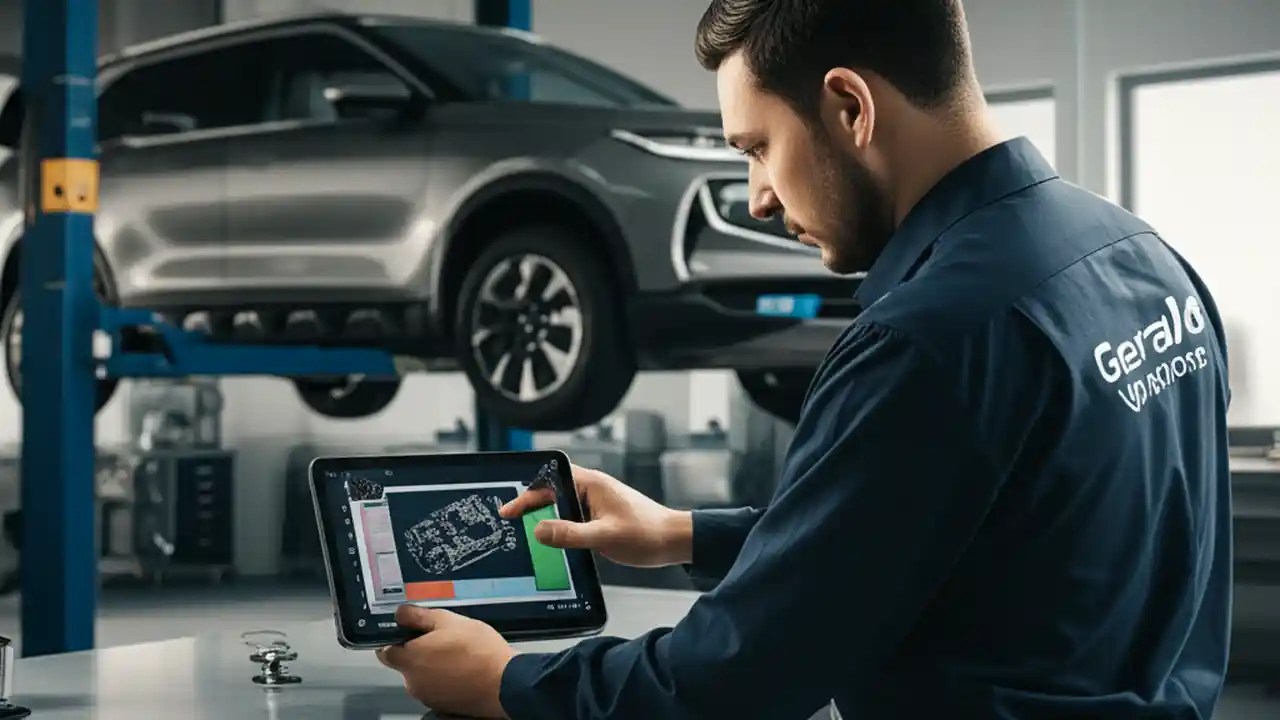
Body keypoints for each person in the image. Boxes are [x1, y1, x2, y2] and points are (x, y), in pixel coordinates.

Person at [375, 0, 1234, 717]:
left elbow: (735, 679)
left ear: (849, 107)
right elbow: (937, 530)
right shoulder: (1140, 255)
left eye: (756, 148)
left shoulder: (929, 338)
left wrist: (505, 681)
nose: (756, 197)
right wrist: (678, 535)